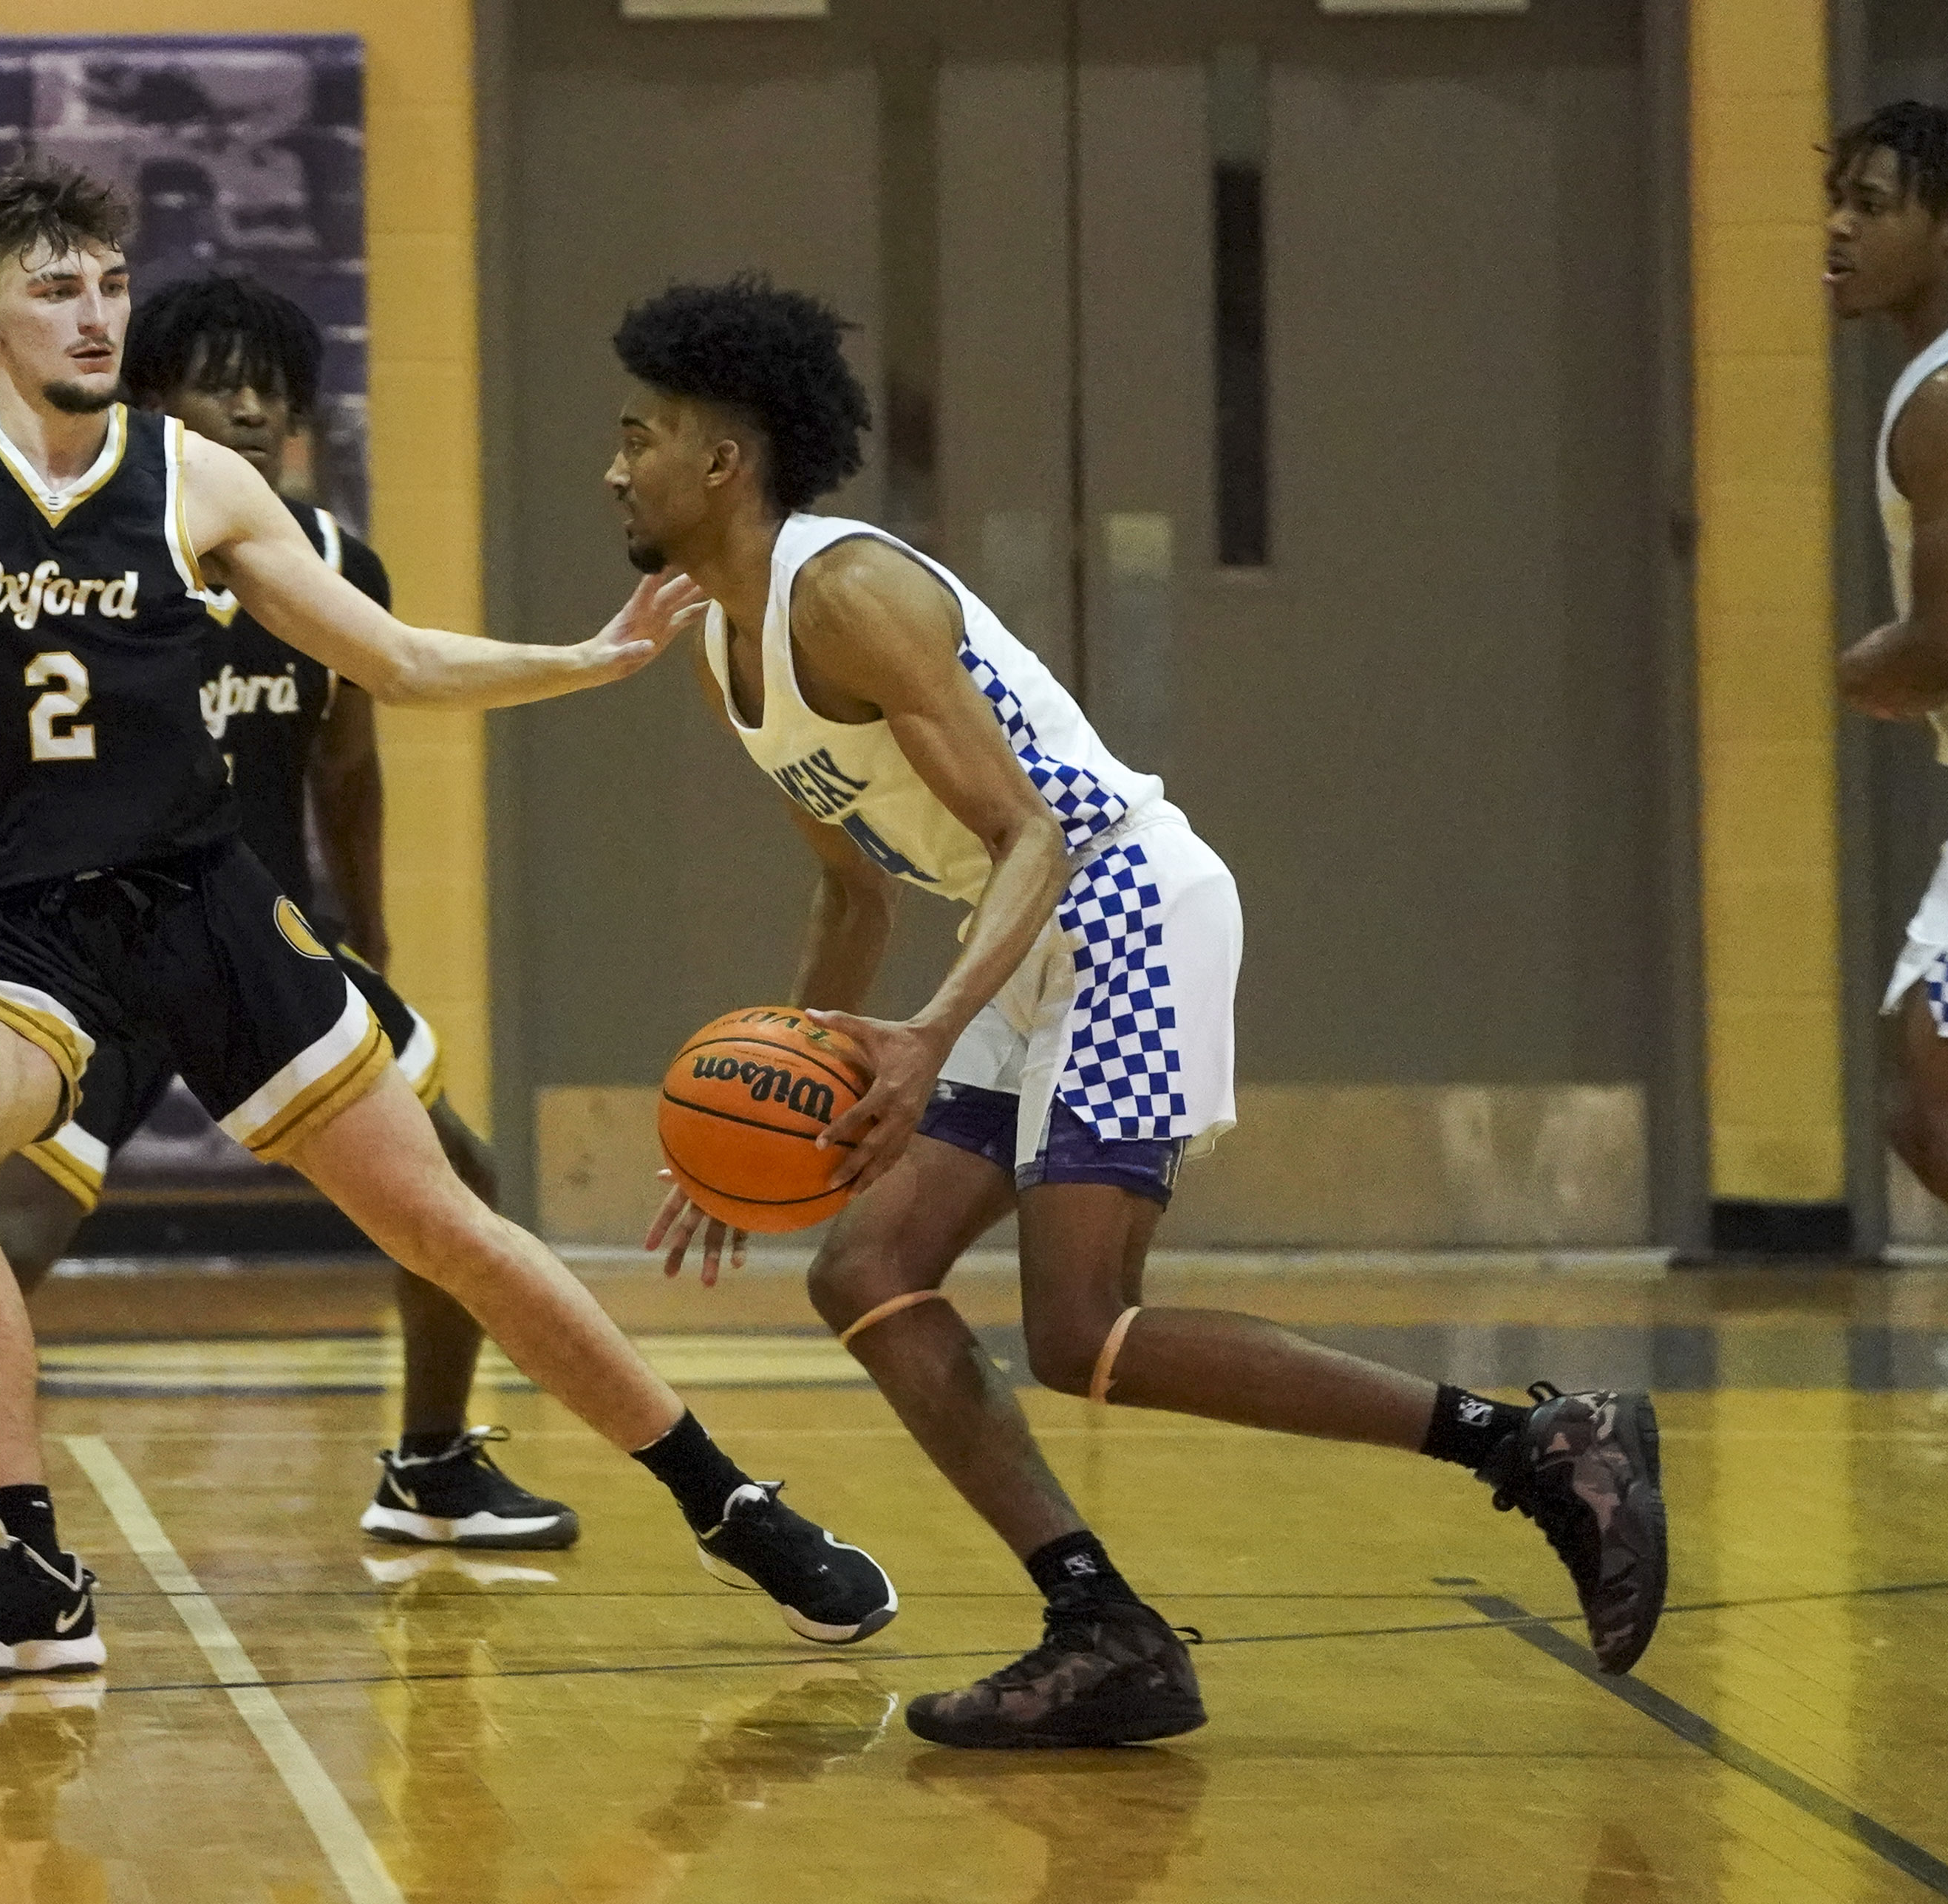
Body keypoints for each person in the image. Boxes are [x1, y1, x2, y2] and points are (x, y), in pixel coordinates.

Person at [0, 159, 896, 1681]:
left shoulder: (197, 481)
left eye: (107, 286)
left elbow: (396, 664)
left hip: (207, 911)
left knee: (446, 1225)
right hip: (12, 922)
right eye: (55, 291)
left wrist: (586, 656)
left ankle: (729, 1503)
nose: (93, 315)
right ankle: (29, 1567)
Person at [617, 277, 1666, 1747]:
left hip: (1118, 908)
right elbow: (854, 894)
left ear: (721, 459)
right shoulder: (725, 647)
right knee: (864, 1264)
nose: (617, 464)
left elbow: (1036, 833)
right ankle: (1098, 1620)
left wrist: (920, 1039)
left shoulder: (846, 592)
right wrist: (777, 1095)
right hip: (1019, 944)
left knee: (1081, 1325)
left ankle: (1534, 1440)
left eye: (640, 433)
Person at [0, 273, 576, 1574]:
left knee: (454, 1176)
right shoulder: (92, 541)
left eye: (274, 388)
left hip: (249, 941)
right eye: (219, 380)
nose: (251, 407)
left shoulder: (327, 561)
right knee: (3, 1238)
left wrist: (369, 938)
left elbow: (348, 771)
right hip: (88, 948)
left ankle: (429, 1462)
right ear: (148, 395)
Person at [1827, 103, 1948, 1246]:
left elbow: (1940, 648)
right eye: (1832, 204)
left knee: (1937, 1113)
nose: (1836, 229)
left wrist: (1858, 673)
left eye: (1870, 206)